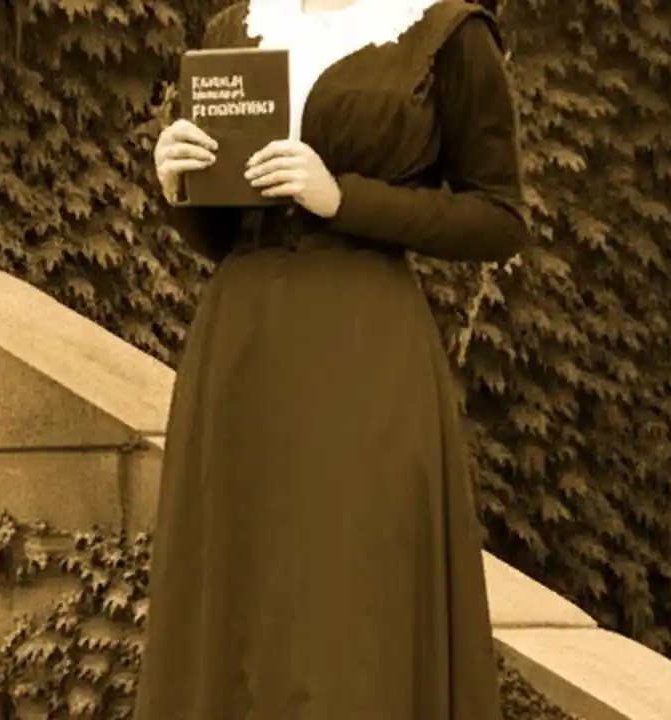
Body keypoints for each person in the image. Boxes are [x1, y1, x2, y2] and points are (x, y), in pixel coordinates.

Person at [135, 0, 529, 717]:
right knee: (238, 602)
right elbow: (225, 232)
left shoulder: (445, 32)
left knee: (352, 605)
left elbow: (498, 218)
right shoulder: (238, 28)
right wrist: (179, 185)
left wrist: (340, 197)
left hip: (364, 351)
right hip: (242, 350)